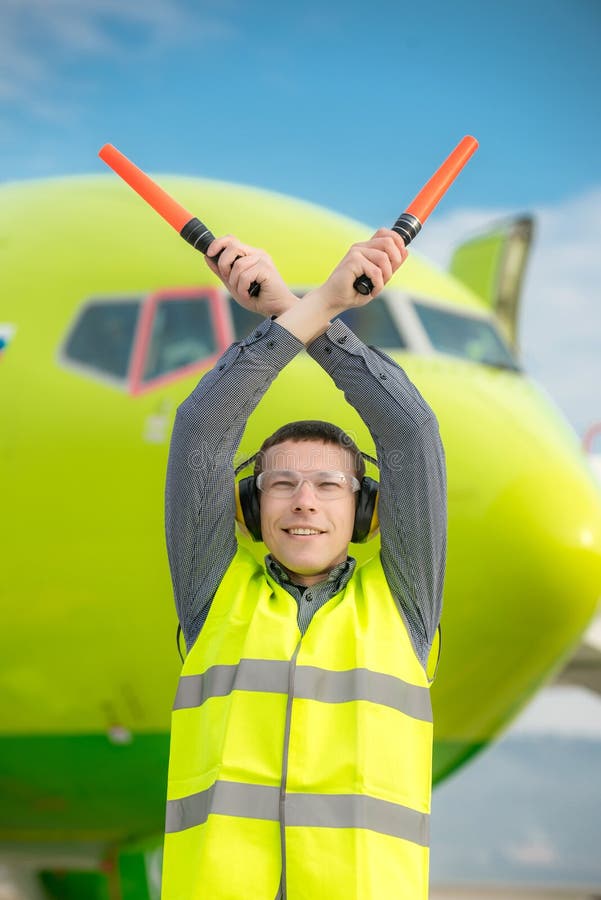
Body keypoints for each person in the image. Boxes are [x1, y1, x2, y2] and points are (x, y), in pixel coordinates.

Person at [161, 229, 447, 900]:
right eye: (281, 484)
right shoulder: (212, 594)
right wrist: (312, 305)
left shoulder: (404, 602)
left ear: (367, 509)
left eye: (328, 485)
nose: (304, 503)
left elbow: (410, 434)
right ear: (249, 507)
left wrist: (308, 312)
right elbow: (203, 431)